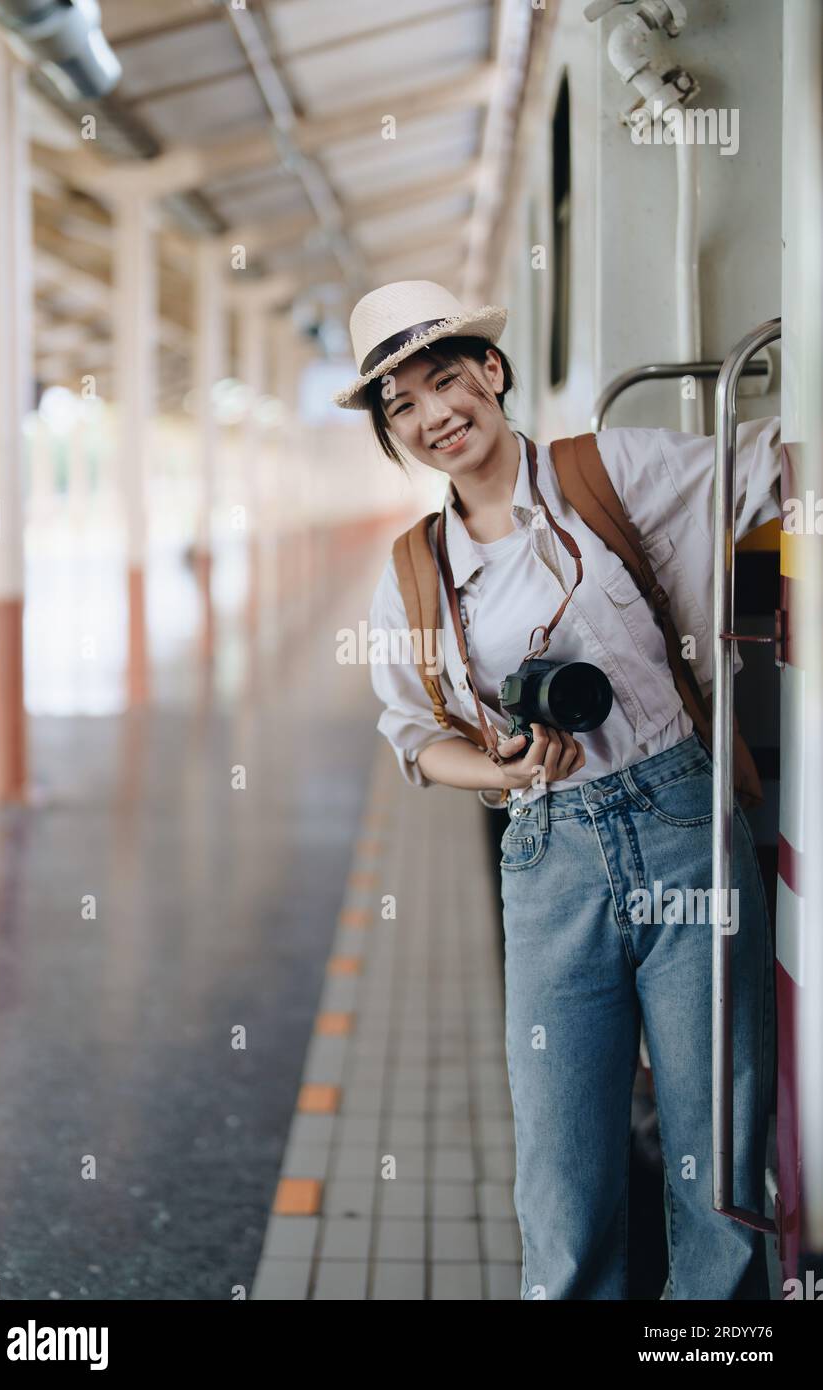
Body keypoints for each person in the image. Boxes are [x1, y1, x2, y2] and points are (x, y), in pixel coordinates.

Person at [332, 279, 780, 1301]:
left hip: (680, 821)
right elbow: (410, 733)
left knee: (717, 1150)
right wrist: (499, 767)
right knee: (562, 1175)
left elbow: (763, 469)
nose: (432, 416)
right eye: (400, 407)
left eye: (444, 382)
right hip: (548, 856)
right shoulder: (414, 570)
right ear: (390, 431)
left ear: (489, 374)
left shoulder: (606, 471)